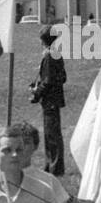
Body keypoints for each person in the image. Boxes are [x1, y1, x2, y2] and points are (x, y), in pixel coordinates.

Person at [32, 25, 67, 176]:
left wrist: (36, 93)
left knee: (52, 136)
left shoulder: (49, 56)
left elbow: (48, 81)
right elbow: (62, 77)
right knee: (50, 134)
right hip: (54, 99)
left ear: (43, 40)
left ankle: (55, 168)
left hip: (50, 100)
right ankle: (50, 165)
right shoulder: (56, 54)